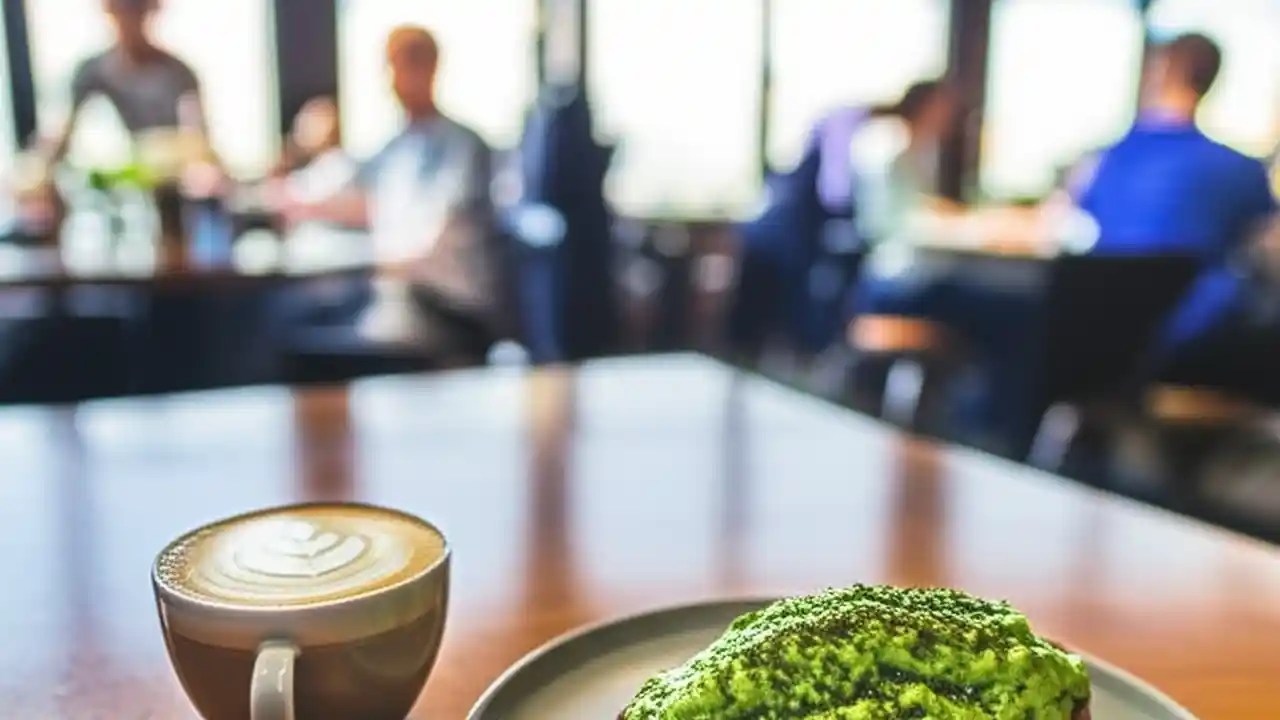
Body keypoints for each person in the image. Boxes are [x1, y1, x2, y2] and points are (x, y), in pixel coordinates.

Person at [282, 25, 497, 360]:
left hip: (444, 307)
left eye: (404, 65)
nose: (394, 80)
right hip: (395, 298)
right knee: (289, 321)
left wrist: (370, 260)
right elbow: (354, 196)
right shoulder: (396, 146)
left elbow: (425, 243)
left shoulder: (462, 147)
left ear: (431, 67)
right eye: (390, 67)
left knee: (308, 355)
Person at [1074, 33, 1277, 351]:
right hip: (1202, 345)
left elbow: (1064, 221)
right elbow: (1270, 251)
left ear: (1158, 73)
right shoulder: (1242, 170)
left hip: (1103, 336)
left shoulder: (1103, 161)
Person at [47, 0, 205, 164]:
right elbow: (61, 136)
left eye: (136, 7)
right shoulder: (92, 71)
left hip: (171, 175)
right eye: (122, 7)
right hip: (115, 176)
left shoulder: (178, 72)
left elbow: (198, 135)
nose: (130, 17)